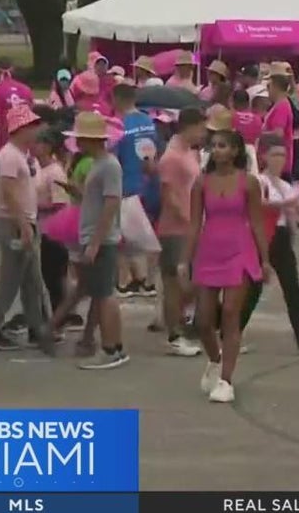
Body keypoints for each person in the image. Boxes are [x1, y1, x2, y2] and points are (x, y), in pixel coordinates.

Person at [190, 129, 270, 403]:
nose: (217, 150)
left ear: (236, 151)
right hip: (210, 250)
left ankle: (226, 380)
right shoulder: (201, 182)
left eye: (223, 145)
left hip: (240, 250)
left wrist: (265, 258)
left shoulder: (249, 183)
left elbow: (257, 222)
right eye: (213, 146)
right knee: (202, 320)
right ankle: (215, 359)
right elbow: (193, 223)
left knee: (231, 314)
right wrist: (184, 259)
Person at [0, 105, 54, 354]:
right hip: (14, 222)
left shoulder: (23, 155)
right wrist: (23, 224)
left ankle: (37, 326)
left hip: (24, 220)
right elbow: (8, 192)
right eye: (32, 127)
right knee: (11, 277)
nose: (36, 132)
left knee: (32, 279)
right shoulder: (9, 156)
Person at [64, 112, 129, 370]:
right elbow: (100, 201)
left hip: (100, 239)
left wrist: (95, 242)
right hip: (94, 235)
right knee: (101, 294)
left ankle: (111, 347)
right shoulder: (98, 165)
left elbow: (112, 204)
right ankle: (112, 346)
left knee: (104, 295)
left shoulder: (109, 166)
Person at [240, 135, 299, 354]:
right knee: (253, 288)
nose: (279, 160)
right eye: (274, 155)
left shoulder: (284, 184)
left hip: (282, 236)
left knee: (292, 288)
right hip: (263, 236)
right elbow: (258, 205)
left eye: (282, 155)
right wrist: (286, 203)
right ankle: (231, 333)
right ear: (263, 156)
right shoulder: (259, 181)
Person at [155, 107, 206, 356]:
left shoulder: (190, 153)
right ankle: (173, 334)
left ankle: (181, 321)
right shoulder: (171, 157)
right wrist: (188, 220)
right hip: (175, 228)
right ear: (189, 127)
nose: (203, 133)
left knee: (195, 280)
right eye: (201, 128)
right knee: (174, 282)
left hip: (192, 224)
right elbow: (169, 195)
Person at [111, 84, 161, 298]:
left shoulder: (118, 125)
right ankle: (146, 280)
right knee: (148, 236)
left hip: (126, 185)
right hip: (148, 183)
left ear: (117, 99)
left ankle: (124, 281)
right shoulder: (148, 121)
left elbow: (113, 157)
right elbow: (153, 152)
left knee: (120, 237)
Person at [32, 129, 72, 327]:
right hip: (44, 229)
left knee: (55, 276)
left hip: (55, 231)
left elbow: (60, 202)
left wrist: (35, 206)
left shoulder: (55, 172)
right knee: (50, 276)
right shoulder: (39, 169)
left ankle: (61, 316)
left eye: (38, 143)